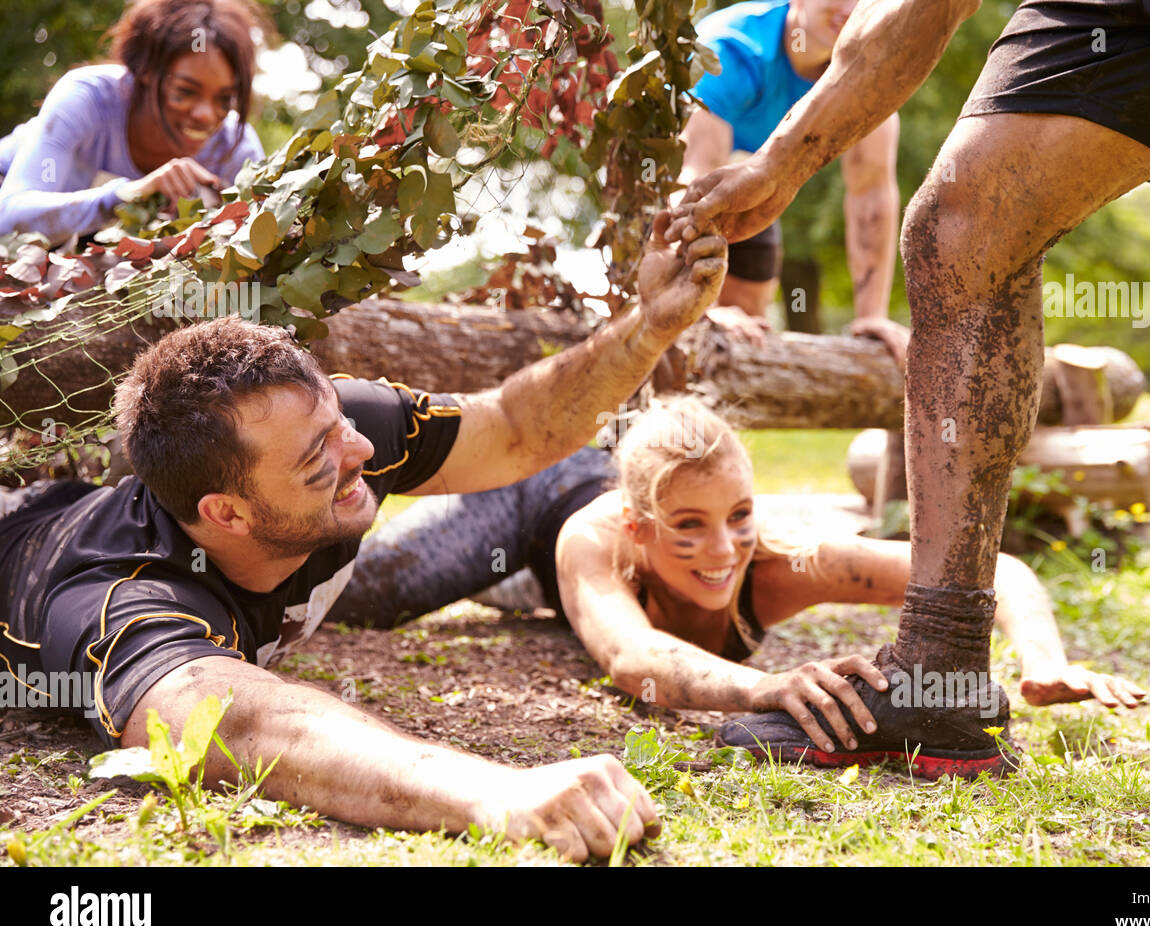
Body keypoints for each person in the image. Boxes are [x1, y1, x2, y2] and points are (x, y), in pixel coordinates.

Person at [667, 0, 1150, 762]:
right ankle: (942, 673)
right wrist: (780, 163)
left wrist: (780, 168)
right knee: (964, 226)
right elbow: (910, 14)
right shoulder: (735, 51)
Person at [0, 215, 727, 862]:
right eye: (319, 460)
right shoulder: (122, 598)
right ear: (227, 513)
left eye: (339, 421)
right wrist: (494, 792)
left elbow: (510, 426)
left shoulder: (329, 429)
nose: (359, 453)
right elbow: (244, 723)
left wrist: (650, 324)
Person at [335, 398, 1144, 780]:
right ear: (641, 528)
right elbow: (631, 656)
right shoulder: (599, 538)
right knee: (358, 595)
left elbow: (994, 569)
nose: (722, 551)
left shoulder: (779, 562)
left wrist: (1040, 659)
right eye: (688, 526)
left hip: (588, 530)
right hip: (531, 513)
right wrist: (767, 687)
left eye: (740, 515)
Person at [680, 0, 900, 343]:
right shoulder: (731, 50)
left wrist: (872, 318)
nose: (851, 8)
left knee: (748, 332)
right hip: (666, 186)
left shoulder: (868, 76)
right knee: (682, 324)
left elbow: (871, 191)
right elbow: (692, 178)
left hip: (747, 182)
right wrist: (698, 305)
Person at [0, 0, 266, 244]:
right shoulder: (88, 100)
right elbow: (9, 217)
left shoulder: (235, 150)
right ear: (147, 70)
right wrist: (124, 196)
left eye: (224, 99)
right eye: (184, 92)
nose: (206, 115)